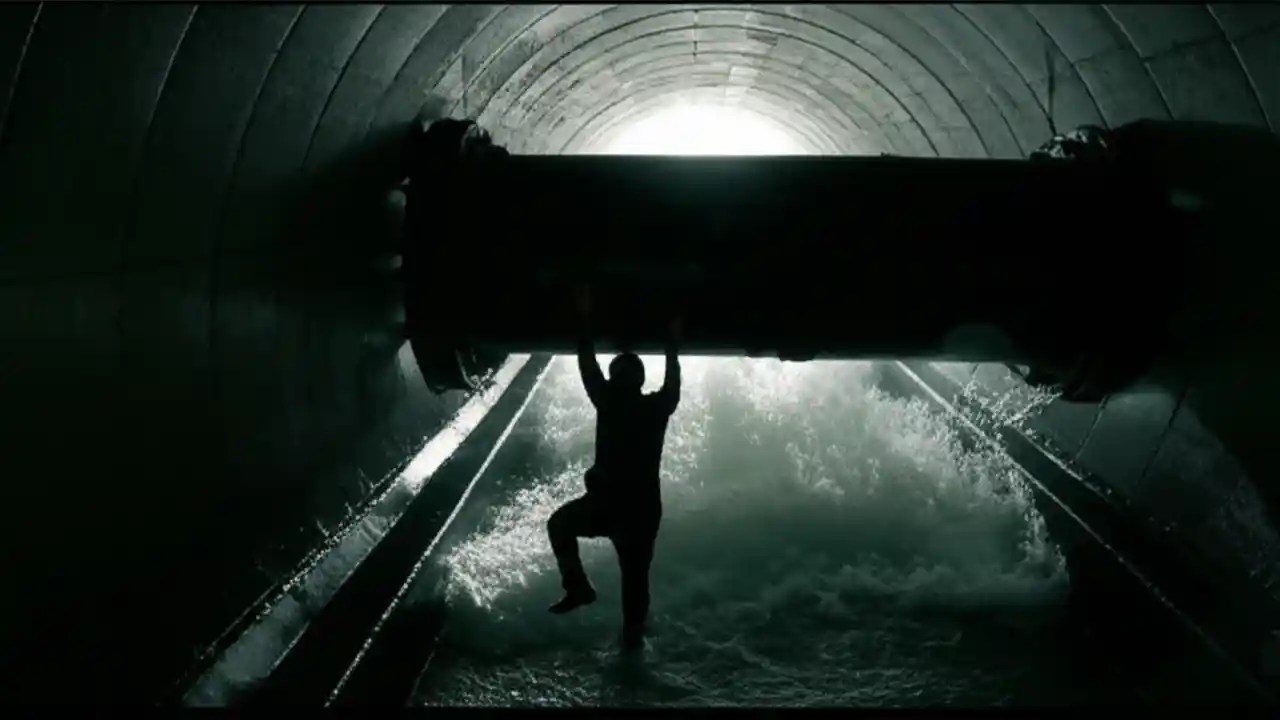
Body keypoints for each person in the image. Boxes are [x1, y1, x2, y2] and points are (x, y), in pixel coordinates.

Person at [547, 285, 682, 650]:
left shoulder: (607, 400)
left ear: (614, 379)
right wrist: (672, 341)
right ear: (639, 381)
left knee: (559, 525)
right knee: (635, 581)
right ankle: (632, 641)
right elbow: (672, 381)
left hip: (608, 506)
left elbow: (586, 361)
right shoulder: (656, 408)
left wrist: (585, 316)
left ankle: (578, 587)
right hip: (641, 512)